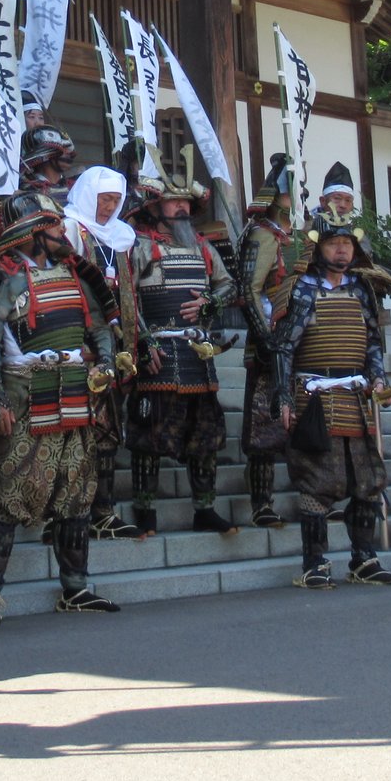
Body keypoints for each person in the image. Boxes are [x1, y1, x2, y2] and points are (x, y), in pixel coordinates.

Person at [0, 190, 122, 620]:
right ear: (34, 231)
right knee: (8, 491)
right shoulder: (2, 277)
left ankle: (75, 586)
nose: (62, 231)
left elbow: (99, 326)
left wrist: (107, 362)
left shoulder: (76, 273)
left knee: (77, 492)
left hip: (76, 393)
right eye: (54, 225)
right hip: (25, 395)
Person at [270, 221, 391, 589]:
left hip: (356, 397)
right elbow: (283, 347)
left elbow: (373, 343)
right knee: (316, 480)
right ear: (318, 248)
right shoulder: (300, 290)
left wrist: (378, 378)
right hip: (314, 395)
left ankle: (364, 558)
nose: (342, 250)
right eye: (334, 244)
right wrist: (282, 395)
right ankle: (314, 562)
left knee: (366, 480)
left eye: (347, 244)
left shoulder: (363, 290)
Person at [123, 172, 237, 537]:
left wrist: (210, 302)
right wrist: (142, 341)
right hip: (157, 352)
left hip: (197, 355)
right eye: (175, 203)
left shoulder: (204, 247)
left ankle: (205, 508)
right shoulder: (140, 246)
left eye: (187, 203)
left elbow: (229, 284)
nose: (183, 209)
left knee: (205, 436)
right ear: (156, 207)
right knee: (148, 435)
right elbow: (127, 295)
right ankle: (145, 510)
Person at [61, 164, 142, 539]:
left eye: (115, 200)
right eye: (103, 199)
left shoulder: (122, 237)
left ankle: (104, 509)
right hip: (81, 342)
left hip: (116, 345)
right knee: (76, 433)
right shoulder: (70, 230)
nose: (109, 207)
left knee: (109, 430)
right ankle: (66, 511)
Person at [233, 155, 308, 530]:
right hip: (272, 342)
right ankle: (262, 503)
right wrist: (266, 338)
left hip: (303, 344)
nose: (293, 197)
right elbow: (249, 288)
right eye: (288, 191)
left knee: (307, 423)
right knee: (264, 426)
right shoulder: (263, 235)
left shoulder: (300, 237)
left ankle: (314, 496)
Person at [19, 123, 76, 194]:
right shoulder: (26, 192)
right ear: (45, 155)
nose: (68, 152)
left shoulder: (75, 188)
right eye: (63, 148)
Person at [309, 161, 356, 231]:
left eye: (348, 200)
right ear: (323, 201)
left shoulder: (357, 234)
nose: (343, 205)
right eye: (337, 198)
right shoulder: (307, 231)